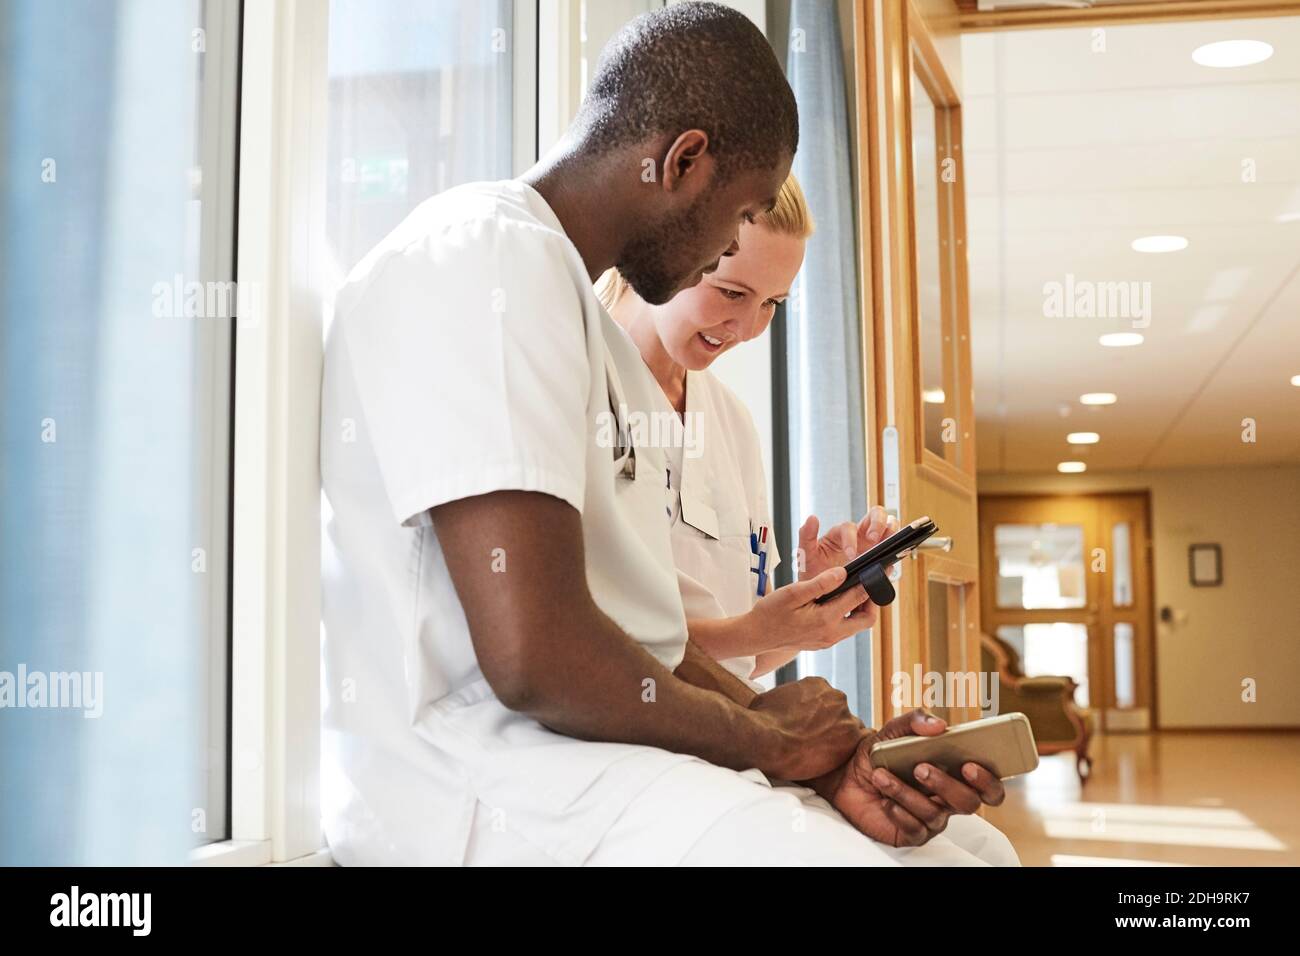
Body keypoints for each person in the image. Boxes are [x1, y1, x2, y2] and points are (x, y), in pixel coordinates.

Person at [320, 1, 1009, 866]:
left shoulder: (589, 332)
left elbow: (643, 636)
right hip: (477, 779)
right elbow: (536, 656)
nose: (730, 247)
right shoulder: (486, 256)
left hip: (597, 760)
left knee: (970, 852)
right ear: (685, 161)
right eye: (741, 212)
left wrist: (822, 757)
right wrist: (772, 744)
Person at [600, 173, 1020, 865]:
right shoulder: (587, 385)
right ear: (668, 249)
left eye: (773, 303)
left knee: (986, 850)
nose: (747, 328)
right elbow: (579, 632)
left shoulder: (727, 420)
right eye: (731, 292)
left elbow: (749, 653)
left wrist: (809, 605)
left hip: (742, 715)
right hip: (663, 735)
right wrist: (752, 631)